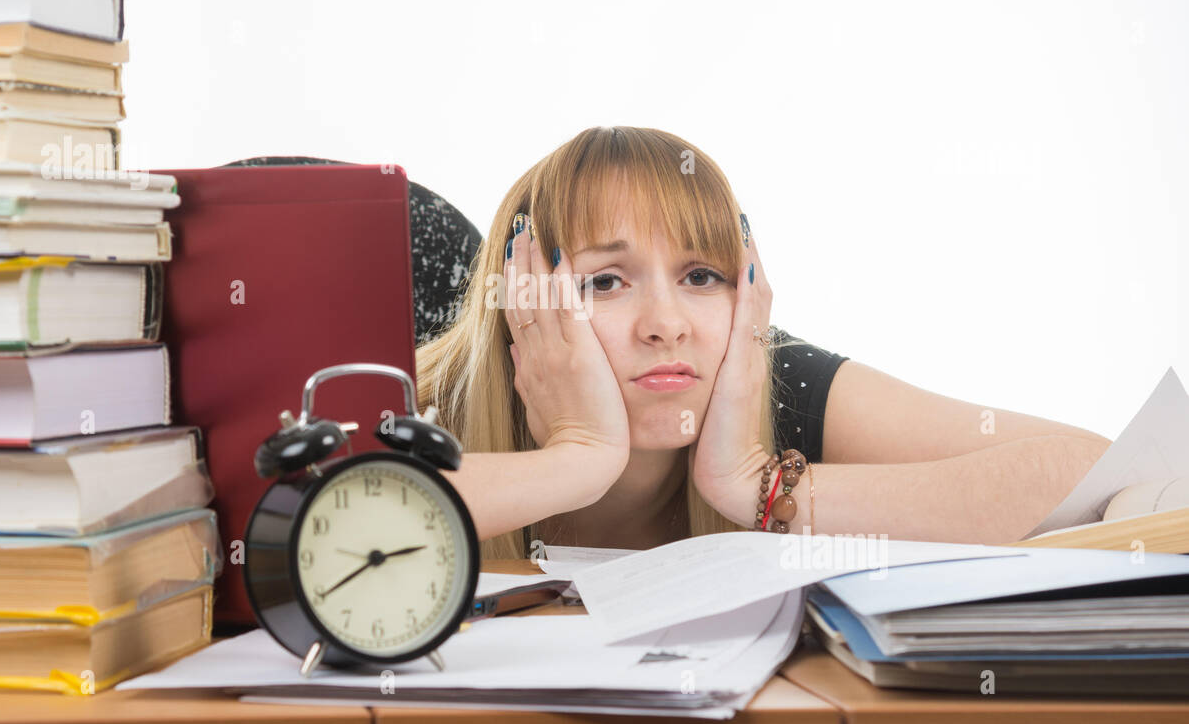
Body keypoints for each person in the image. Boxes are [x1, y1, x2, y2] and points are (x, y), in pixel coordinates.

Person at [415, 126, 1113, 560]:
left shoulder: (768, 376)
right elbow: (306, 535)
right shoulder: (423, 397)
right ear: (524, 303)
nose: (668, 323)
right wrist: (578, 457)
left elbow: (1094, 475)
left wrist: (757, 484)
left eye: (701, 275)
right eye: (605, 282)